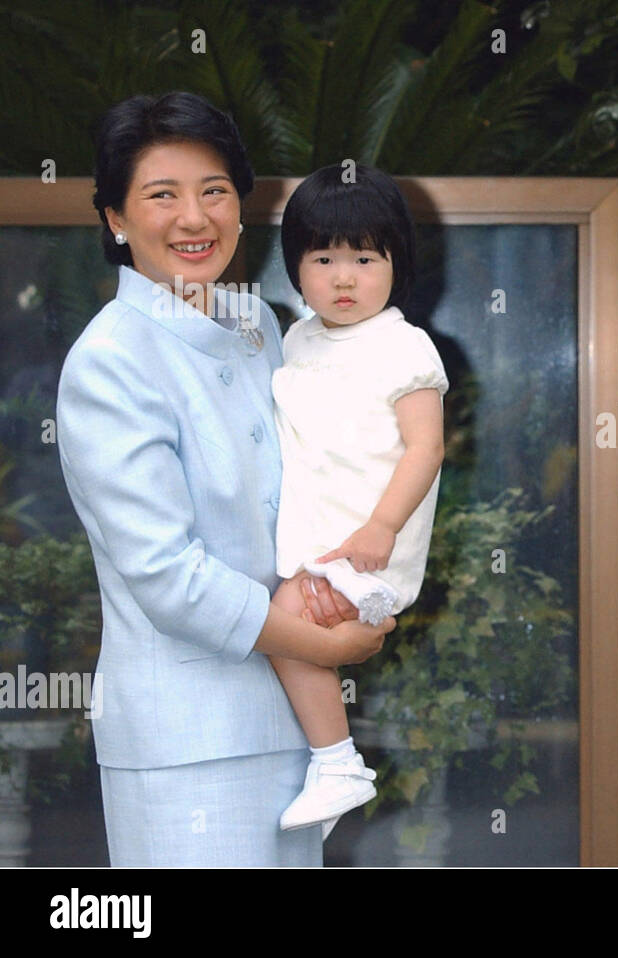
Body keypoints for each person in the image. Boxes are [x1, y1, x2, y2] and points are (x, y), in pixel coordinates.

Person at [56, 91, 394, 867]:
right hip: (187, 746)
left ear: (242, 204)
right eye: (160, 195)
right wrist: (327, 645)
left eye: (213, 190)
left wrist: (359, 589)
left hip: (297, 733)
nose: (193, 217)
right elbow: (166, 577)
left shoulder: (259, 326)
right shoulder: (110, 361)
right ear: (114, 217)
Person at [269, 163, 447, 835]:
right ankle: (327, 770)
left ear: (396, 262)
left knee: (284, 622)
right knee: (291, 626)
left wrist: (381, 527)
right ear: (296, 265)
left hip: (368, 549)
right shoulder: (297, 340)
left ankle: (337, 762)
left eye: (365, 257)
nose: (345, 277)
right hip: (314, 542)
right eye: (324, 257)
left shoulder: (405, 346)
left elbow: (425, 447)